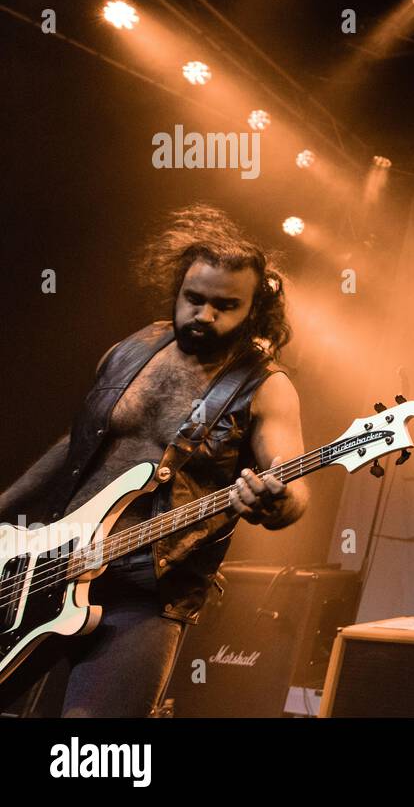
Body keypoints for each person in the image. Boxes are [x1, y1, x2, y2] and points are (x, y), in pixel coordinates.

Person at [0, 205, 309, 717]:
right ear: (177, 289)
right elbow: (74, 445)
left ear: (254, 310)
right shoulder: (132, 349)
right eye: (195, 299)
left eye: (226, 305)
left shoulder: (267, 387)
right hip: (50, 568)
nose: (204, 315)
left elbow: (289, 479)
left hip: (144, 593)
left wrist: (277, 501)